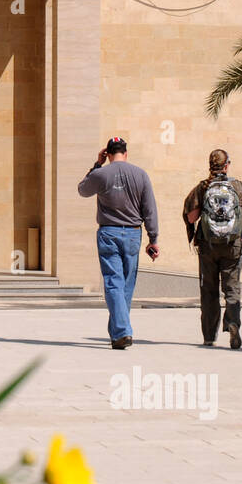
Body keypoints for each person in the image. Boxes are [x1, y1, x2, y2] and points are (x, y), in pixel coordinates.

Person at [78, 137, 160, 350]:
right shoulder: (140, 174)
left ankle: (121, 332)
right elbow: (149, 208)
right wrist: (154, 238)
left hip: (109, 232)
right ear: (126, 152)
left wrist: (97, 164)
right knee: (126, 284)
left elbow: (82, 190)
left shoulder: (101, 174)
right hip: (133, 233)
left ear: (108, 153)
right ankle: (120, 332)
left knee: (114, 283)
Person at [183, 149, 242, 349]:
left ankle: (209, 336)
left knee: (209, 290)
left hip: (208, 246)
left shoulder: (202, 188)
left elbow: (191, 217)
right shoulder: (238, 187)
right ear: (227, 165)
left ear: (210, 165)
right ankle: (232, 324)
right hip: (233, 245)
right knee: (232, 288)